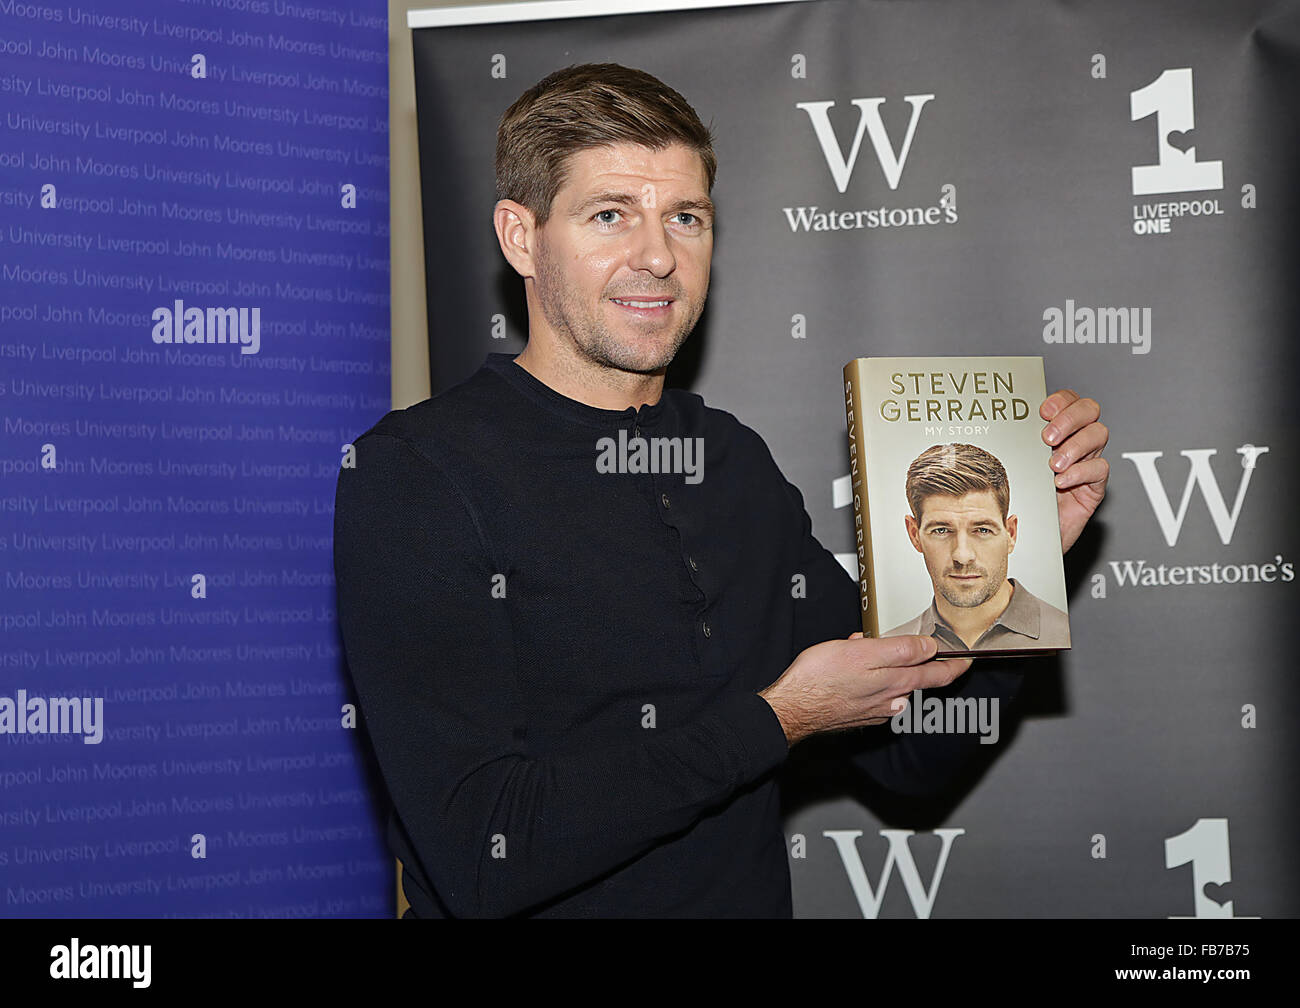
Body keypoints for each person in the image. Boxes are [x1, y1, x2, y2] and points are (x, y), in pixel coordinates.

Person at [332, 64, 1109, 918]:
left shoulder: (731, 460)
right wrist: (778, 720)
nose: (658, 256)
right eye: (610, 215)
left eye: (685, 218)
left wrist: (1012, 582)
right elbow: (483, 852)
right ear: (521, 237)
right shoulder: (420, 473)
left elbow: (911, 759)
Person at [885, 443, 1071, 652]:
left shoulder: (1067, 633)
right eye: (941, 530)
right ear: (914, 534)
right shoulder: (887, 649)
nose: (963, 556)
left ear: (1011, 533)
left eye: (982, 530)